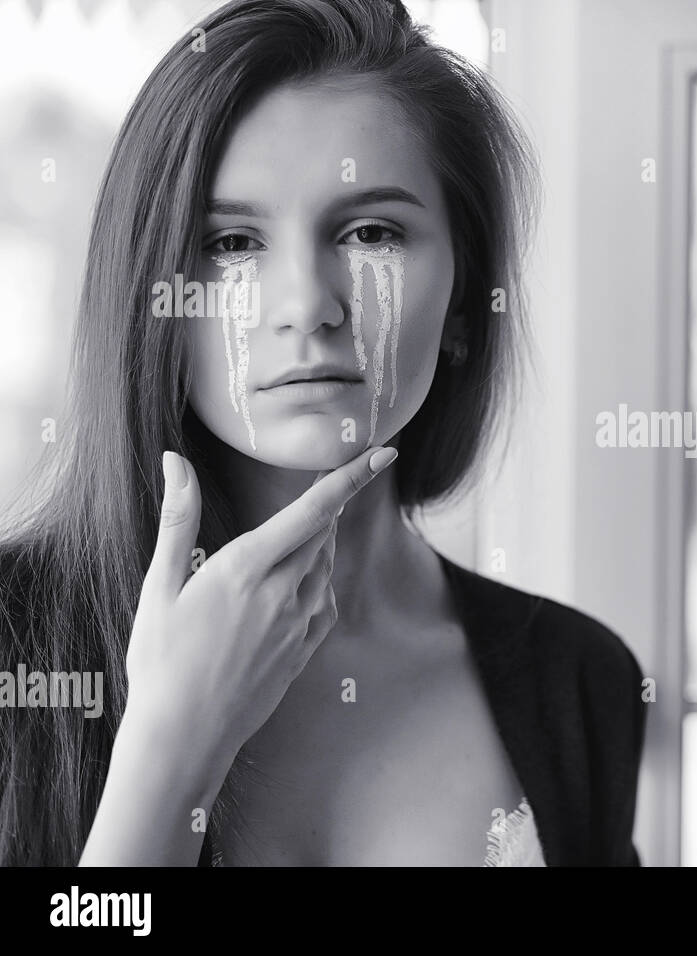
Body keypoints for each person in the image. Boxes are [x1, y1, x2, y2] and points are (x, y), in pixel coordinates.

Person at [0, 0, 646, 867]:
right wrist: (170, 750)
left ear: (463, 300)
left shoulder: (580, 681)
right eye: (231, 243)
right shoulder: (15, 647)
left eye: (372, 232)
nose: (307, 305)